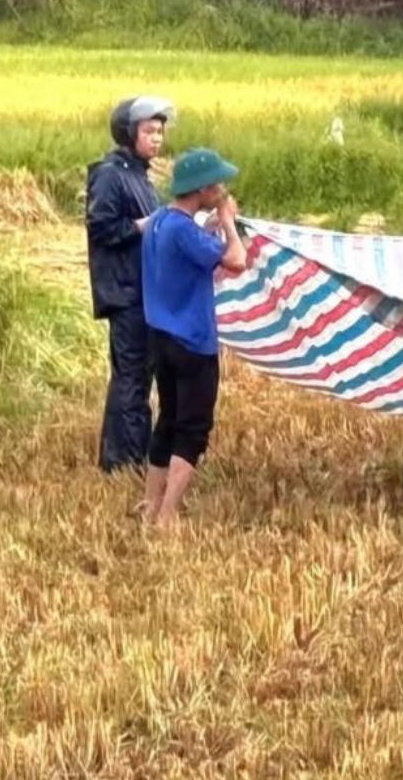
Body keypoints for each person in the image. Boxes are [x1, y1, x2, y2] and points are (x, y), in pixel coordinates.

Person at [141, 149, 247, 526]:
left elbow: (187, 249)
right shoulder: (184, 231)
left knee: (167, 419)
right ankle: (168, 514)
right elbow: (236, 261)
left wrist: (209, 228)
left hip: (160, 337)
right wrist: (229, 223)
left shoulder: (159, 222)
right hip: (192, 341)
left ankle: (151, 505)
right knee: (193, 427)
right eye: (216, 184)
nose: (221, 188)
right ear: (200, 188)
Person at [86, 95, 175, 472]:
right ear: (128, 132)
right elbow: (101, 226)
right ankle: (123, 462)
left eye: (160, 131)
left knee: (138, 375)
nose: (157, 138)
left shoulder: (139, 175)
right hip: (126, 292)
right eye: (149, 131)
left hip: (143, 289)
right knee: (132, 377)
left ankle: (128, 456)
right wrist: (139, 227)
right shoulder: (111, 174)